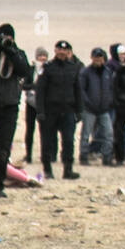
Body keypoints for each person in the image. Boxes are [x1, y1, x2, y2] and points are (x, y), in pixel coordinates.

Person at [35, 40, 84, 180]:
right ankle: (47, 170)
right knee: (47, 141)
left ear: (68, 52)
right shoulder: (48, 68)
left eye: (65, 50)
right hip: (50, 111)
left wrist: (80, 110)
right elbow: (41, 90)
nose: (62, 52)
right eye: (59, 50)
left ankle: (68, 170)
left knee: (68, 140)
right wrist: (40, 111)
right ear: (55, 51)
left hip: (68, 110)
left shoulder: (73, 67)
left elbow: (78, 90)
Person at [0, 23, 32, 198]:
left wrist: (10, 51)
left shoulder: (18, 54)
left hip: (9, 107)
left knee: (3, 148)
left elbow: (25, 71)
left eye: (7, 38)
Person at [78, 47, 115, 166]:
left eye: (100, 57)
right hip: (90, 109)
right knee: (86, 133)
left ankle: (107, 156)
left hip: (104, 109)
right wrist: (88, 103)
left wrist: (109, 102)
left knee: (108, 133)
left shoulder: (107, 72)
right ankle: (83, 155)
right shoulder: (86, 72)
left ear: (103, 58)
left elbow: (111, 89)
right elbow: (81, 90)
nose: (98, 59)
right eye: (96, 57)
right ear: (92, 58)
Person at [21, 46, 47, 165]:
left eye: (44, 56)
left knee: (44, 131)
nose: (42, 58)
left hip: (44, 104)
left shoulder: (48, 70)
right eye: (40, 56)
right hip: (31, 103)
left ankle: (45, 155)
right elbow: (24, 86)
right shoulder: (31, 70)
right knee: (29, 130)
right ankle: (29, 154)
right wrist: (33, 86)